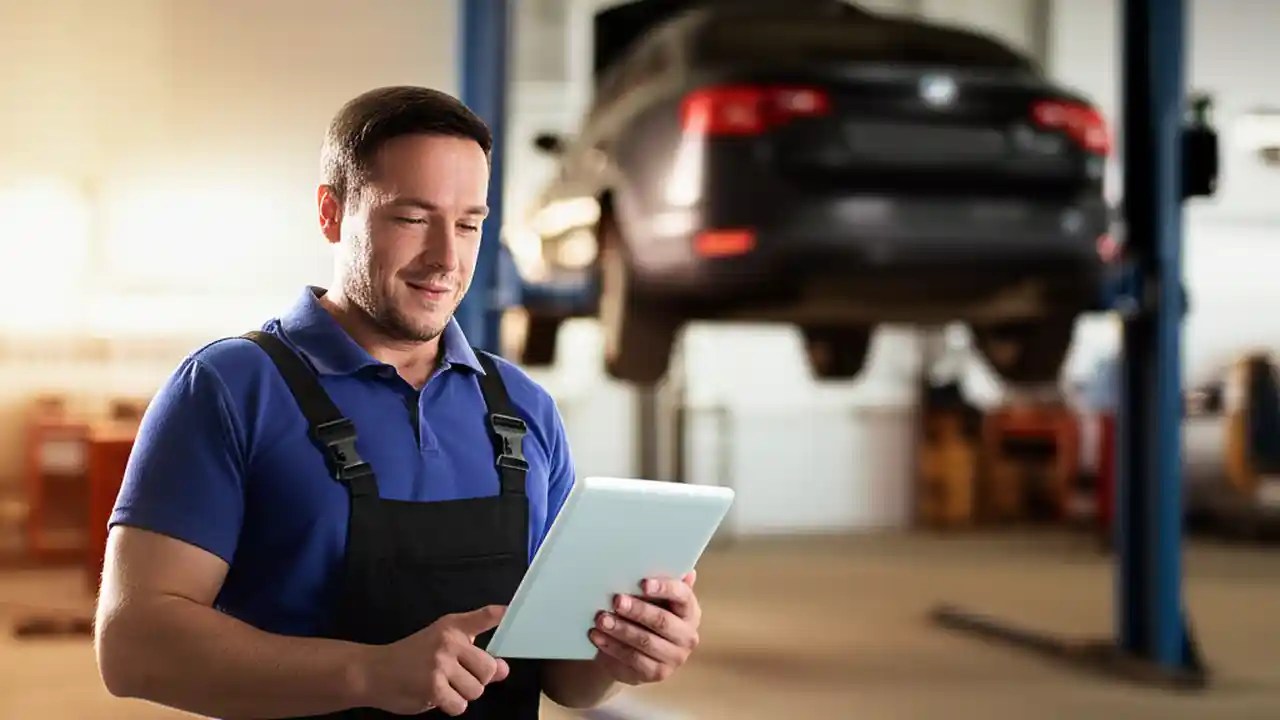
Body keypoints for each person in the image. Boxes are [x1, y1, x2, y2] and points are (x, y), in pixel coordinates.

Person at [93, 86, 704, 719]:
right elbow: (133, 646)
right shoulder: (228, 389)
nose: (446, 258)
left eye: (469, 224)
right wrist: (369, 673)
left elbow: (564, 680)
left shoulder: (524, 409)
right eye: (413, 218)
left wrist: (620, 651)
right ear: (331, 213)